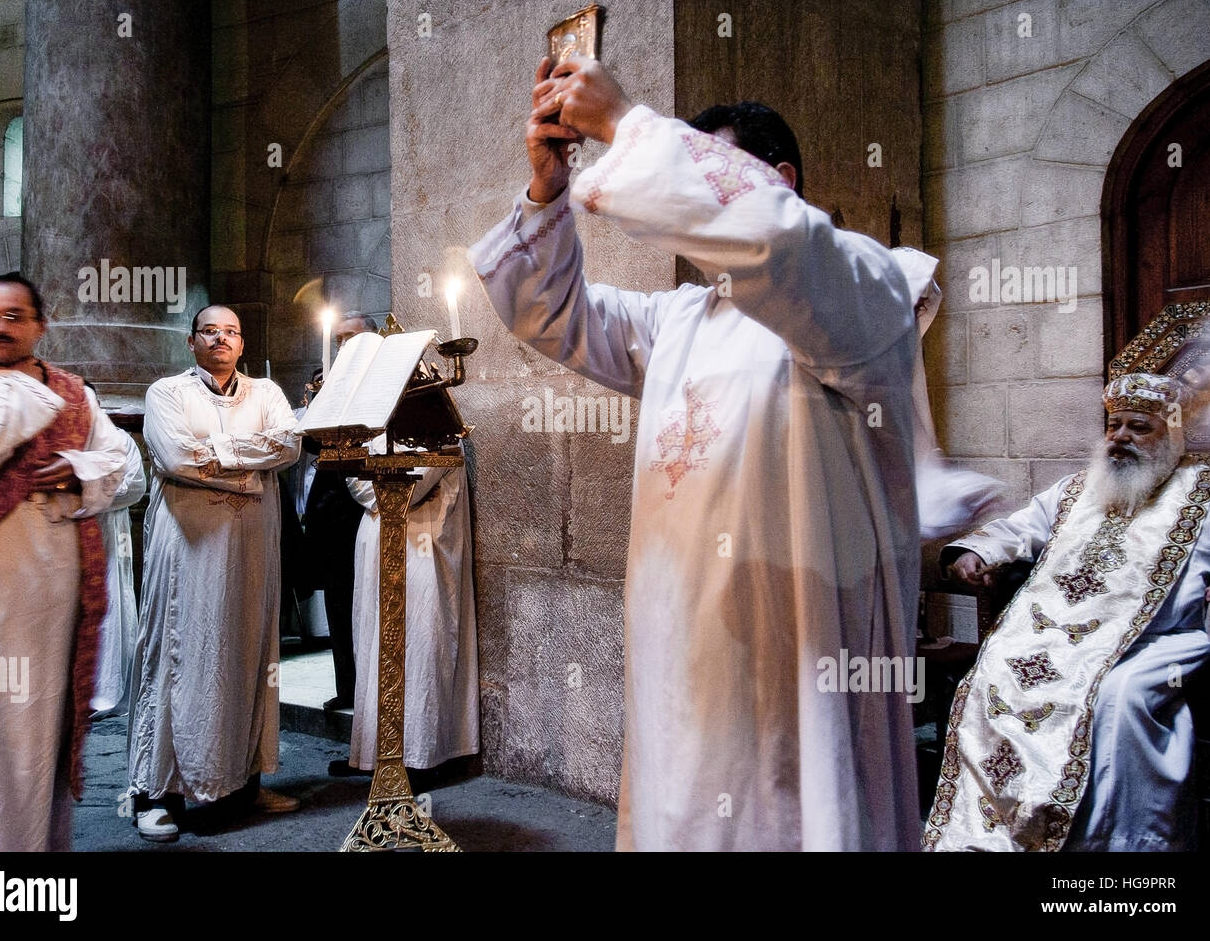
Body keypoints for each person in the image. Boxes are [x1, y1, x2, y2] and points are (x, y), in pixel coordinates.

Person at [469, 56, 920, 850]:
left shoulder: (866, 283)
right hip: (686, 647)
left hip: (796, 649)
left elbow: (779, 241)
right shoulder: (676, 319)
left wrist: (624, 123)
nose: (691, 208)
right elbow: (552, 314)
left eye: (710, 169)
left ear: (779, 178)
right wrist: (547, 190)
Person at [927, 373, 1210, 851]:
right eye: (1114, 425)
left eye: (1138, 427)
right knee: (988, 676)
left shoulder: (1209, 491)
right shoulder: (1079, 488)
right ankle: (1008, 832)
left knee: (1120, 697)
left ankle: (1121, 842)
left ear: (1171, 432)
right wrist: (974, 552)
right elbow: (1019, 527)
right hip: (1059, 641)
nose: (1121, 437)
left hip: (1163, 639)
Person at [0, 273, 133, 850]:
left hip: (52, 587)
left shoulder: (74, 392)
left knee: (35, 723)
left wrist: (77, 467)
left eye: (15, 315)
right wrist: (25, 387)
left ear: (42, 325)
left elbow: (122, 465)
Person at [128, 304, 302, 841]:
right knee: (180, 657)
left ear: (242, 344)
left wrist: (219, 456)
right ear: (192, 342)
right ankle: (156, 795)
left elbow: (289, 444)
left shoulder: (267, 394)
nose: (221, 339)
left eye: (231, 332)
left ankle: (241, 784)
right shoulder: (166, 393)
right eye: (210, 331)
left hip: (251, 551)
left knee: (245, 657)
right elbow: (178, 457)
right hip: (188, 550)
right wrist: (250, 473)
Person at [342, 429, 479, 776]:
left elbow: (410, 488)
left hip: (420, 549)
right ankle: (376, 753)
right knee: (374, 646)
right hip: (376, 540)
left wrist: (376, 477)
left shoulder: (443, 432)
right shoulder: (375, 430)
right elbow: (353, 478)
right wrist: (376, 480)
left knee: (419, 648)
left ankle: (416, 758)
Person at [889, 247, 1002, 540]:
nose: (921, 312)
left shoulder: (900, 356)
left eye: (925, 305)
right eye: (916, 303)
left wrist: (958, 491)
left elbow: (918, 449)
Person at [305, 313, 377, 712]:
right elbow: (313, 444)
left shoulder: (383, 379)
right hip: (332, 504)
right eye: (338, 340)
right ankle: (346, 684)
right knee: (337, 597)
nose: (343, 346)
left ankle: (369, 687)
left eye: (351, 337)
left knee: (362, 598)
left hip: (365, 500)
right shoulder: (327, 380)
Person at [91, 414, 146, 718]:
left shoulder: (120, 440)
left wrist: (82, 492)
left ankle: (108, 688)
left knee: (111, 600)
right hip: (66, 538)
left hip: (111, 533)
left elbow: (134, 486)